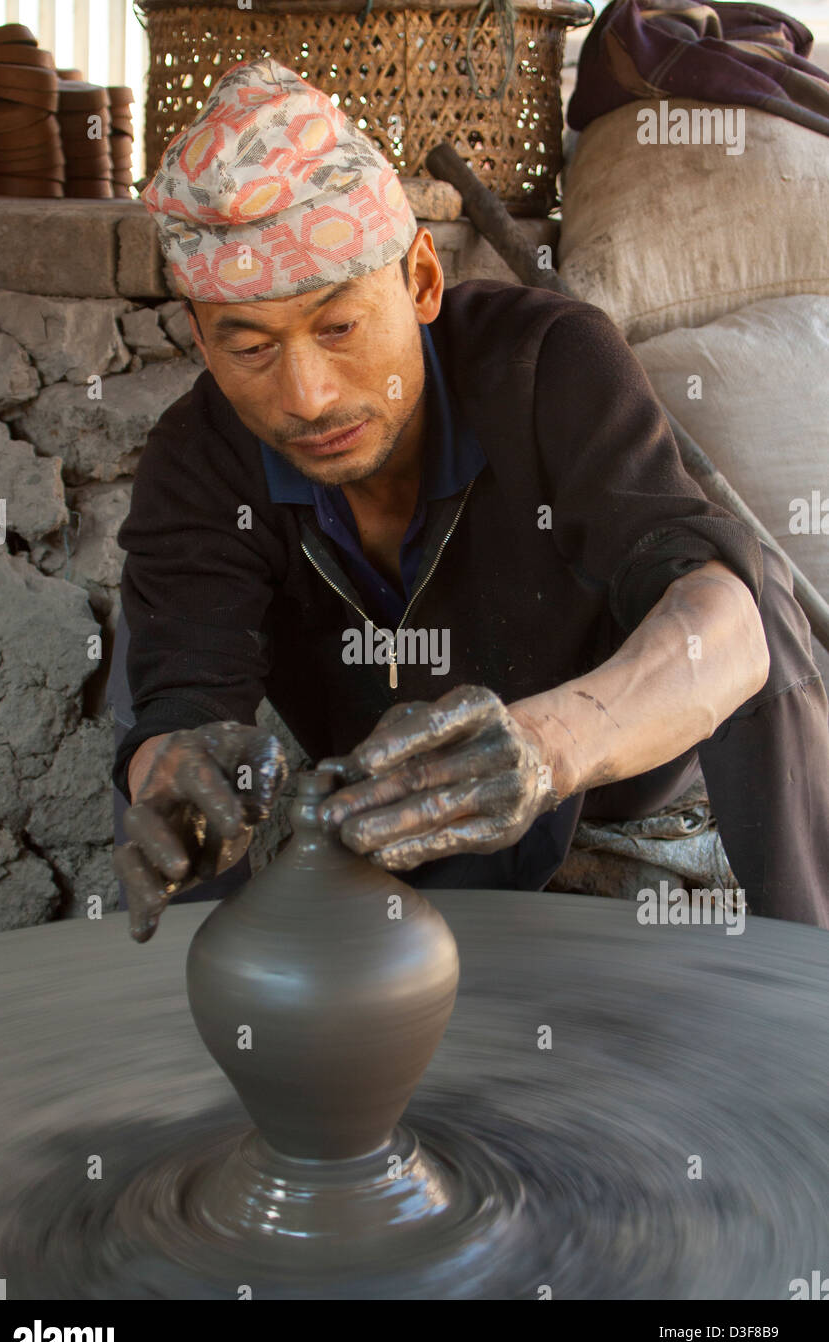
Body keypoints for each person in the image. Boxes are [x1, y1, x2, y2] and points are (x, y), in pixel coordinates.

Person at [111, 57, 829, 941]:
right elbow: (183, 702)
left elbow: (728, 628)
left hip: (662, 839)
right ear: (199, 337)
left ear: (419, 280)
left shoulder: (547, 366)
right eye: (251, 348)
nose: (307, 397)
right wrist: (177, 777)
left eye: (339, 328)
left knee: (754, 591)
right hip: (436, 858)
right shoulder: (198, 464)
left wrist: (542, 748)